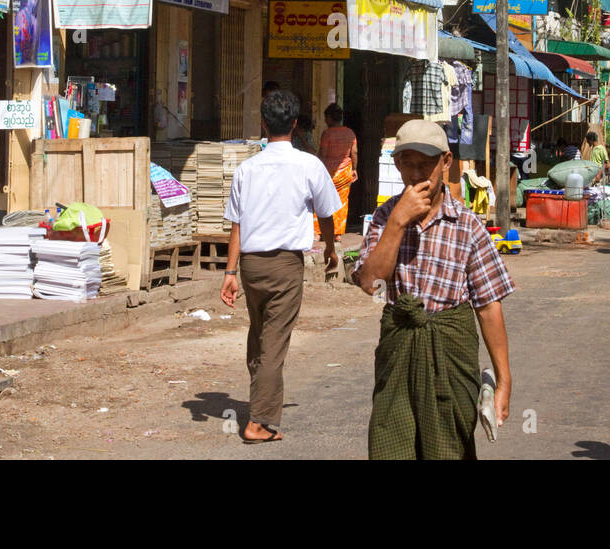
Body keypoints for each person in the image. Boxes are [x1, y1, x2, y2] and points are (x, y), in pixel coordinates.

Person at [351, 119, 514, 459]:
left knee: (446, 449)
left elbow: (488, 307)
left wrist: (503, 382)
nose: (415, 174)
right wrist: (398, 222)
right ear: (396, 164)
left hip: (450, 357)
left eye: (424, 164)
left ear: (445, 162)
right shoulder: (385, 217)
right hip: (398, 354)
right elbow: (371, 283)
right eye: (406, 163)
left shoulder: (467, 226)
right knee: (389, 444)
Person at [219, 91, 341, 443]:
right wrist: (331, 249)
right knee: (274, 342)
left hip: (250, 266)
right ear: (294, 124)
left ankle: (260, 402)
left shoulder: (247, 169)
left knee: (259, 336)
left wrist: (229, 273)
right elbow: (326, 213)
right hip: (286, 265)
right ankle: (259, 421)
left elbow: (236, 225)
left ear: (263, 124)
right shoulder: (308, 165)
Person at [314, 103, 358, 253]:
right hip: (345, 172)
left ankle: (320, 231)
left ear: (329, 117)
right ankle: (337, 234)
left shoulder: (327, 134)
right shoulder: (350, 133)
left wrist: (318, 168)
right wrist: (355, 169)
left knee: (322, 201)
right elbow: (354, 153)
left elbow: (323, 153)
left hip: (329, 172)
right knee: (342, 203)